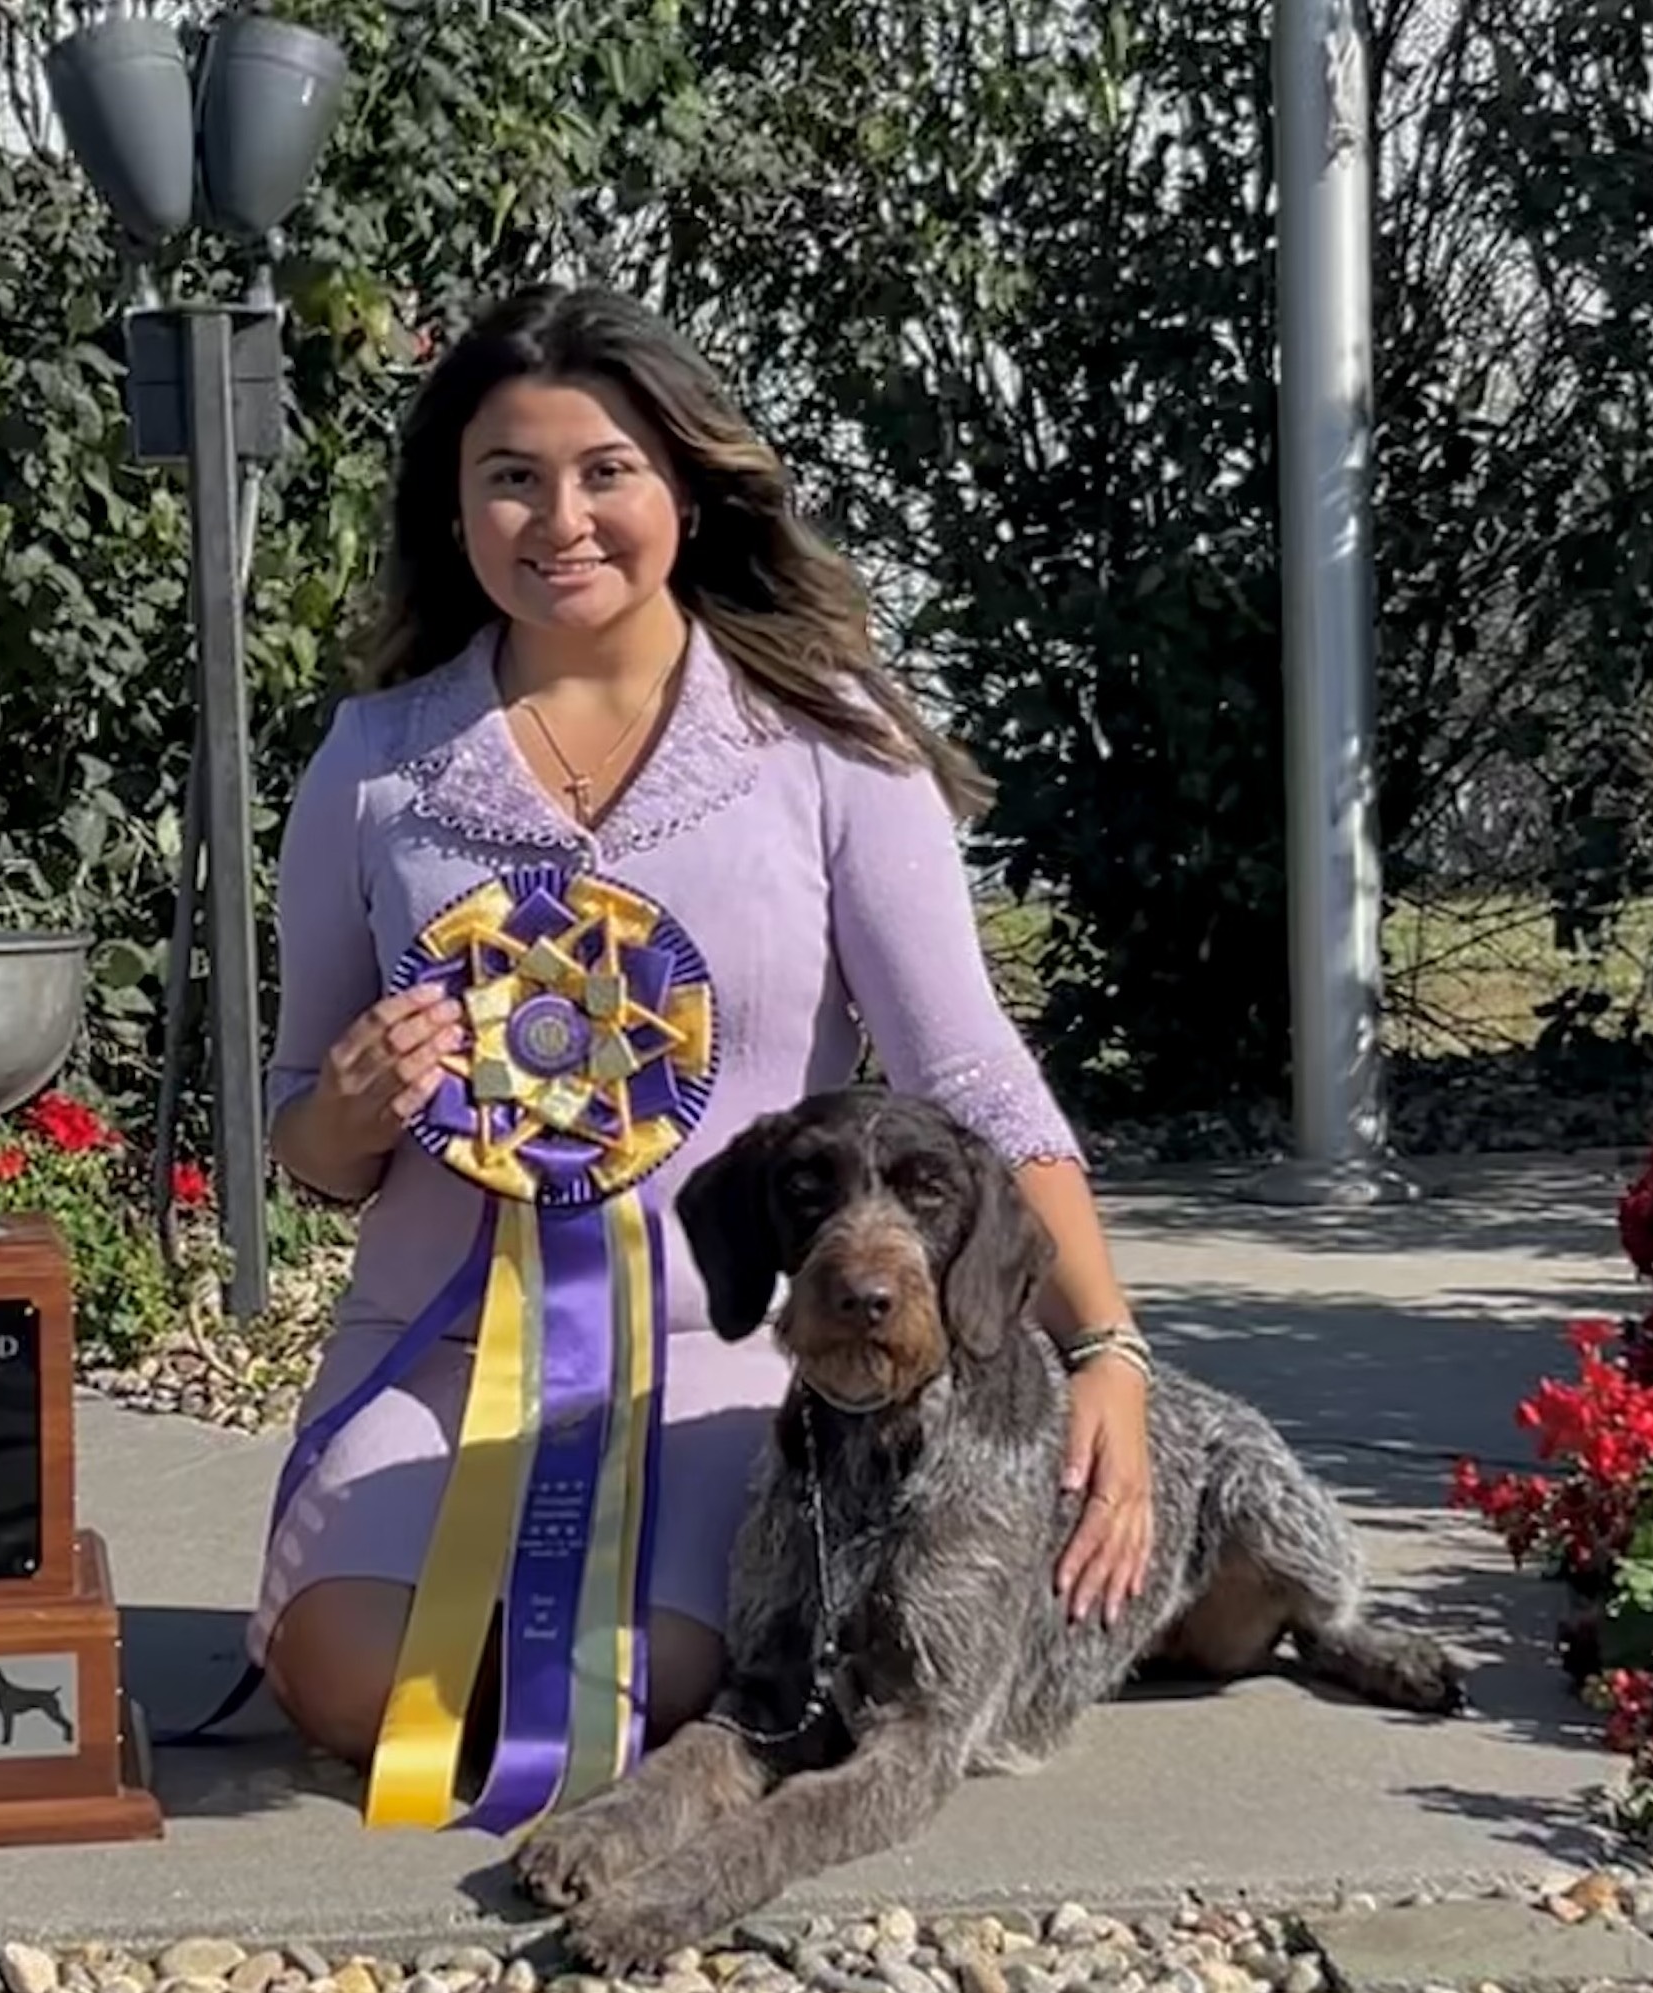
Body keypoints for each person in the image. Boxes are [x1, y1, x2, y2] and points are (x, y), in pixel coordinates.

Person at [251, 282, 1156, 1777]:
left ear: (685, 483)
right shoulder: (371, 766)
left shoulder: (833, 742)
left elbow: (967, 1067)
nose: (563, 519)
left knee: (668, 1671)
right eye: (511, 478)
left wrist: (1106, 1345)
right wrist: (349, 1107)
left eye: (608, 470)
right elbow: (308, 1138)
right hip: (443, 1344)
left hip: (742, 1347)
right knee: (360, 1683)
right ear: (454, 503)